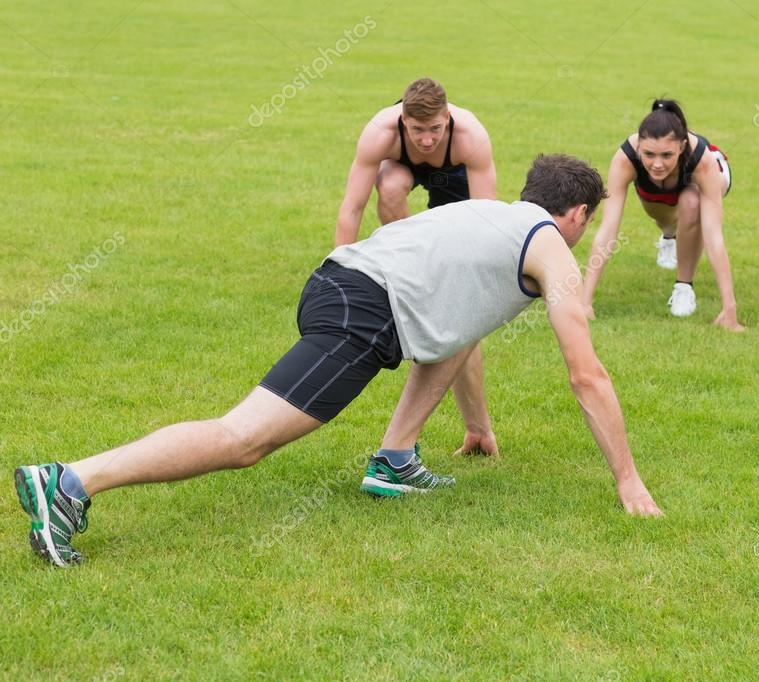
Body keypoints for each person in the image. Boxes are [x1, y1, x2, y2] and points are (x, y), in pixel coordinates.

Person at [14, 154, 663, 568]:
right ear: (577, 214)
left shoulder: (486, 216)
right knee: (244, 439)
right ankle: (71, 482)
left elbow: (462, 329)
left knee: (455, 331)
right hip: (363, 310)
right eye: (583, 224)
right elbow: (586, 373)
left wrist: (479, 427)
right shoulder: (551, 248)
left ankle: (395, 460)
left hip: (342, 283)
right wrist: (628, 479)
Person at [581, 99, 744, 330]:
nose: (657, 164)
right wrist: (585, 303)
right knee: (660, 214)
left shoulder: (702, 161)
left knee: (691, 202)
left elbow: (714, 237)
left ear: (681, 146)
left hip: (706, 178)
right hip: (659, 190)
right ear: (639, 148)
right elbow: (607, 230)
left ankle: (684, 287)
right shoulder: (625, 158)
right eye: (649, 154)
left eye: (667, 155)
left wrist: (730, 309)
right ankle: (669, 236)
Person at [334, 77, 497, 246]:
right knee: (390, 187)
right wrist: (333, 269)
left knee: (455, 235)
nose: (427, 141)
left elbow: (487, 214)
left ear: (447, 117)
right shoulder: (381, 133)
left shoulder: (470, 136)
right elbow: (352, 208)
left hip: (451, 171)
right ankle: (405, 254)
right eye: (417, 129)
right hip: (401, 166)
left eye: (435, 128)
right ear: (404, 119)